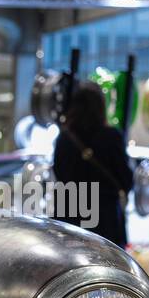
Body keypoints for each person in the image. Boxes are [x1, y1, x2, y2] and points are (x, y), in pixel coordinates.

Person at [51, 80, 134, 249]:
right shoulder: (111, 137)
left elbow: (59, 174)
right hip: (105, 222)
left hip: (70, 218)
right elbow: (125, 180)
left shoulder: (64, 139)